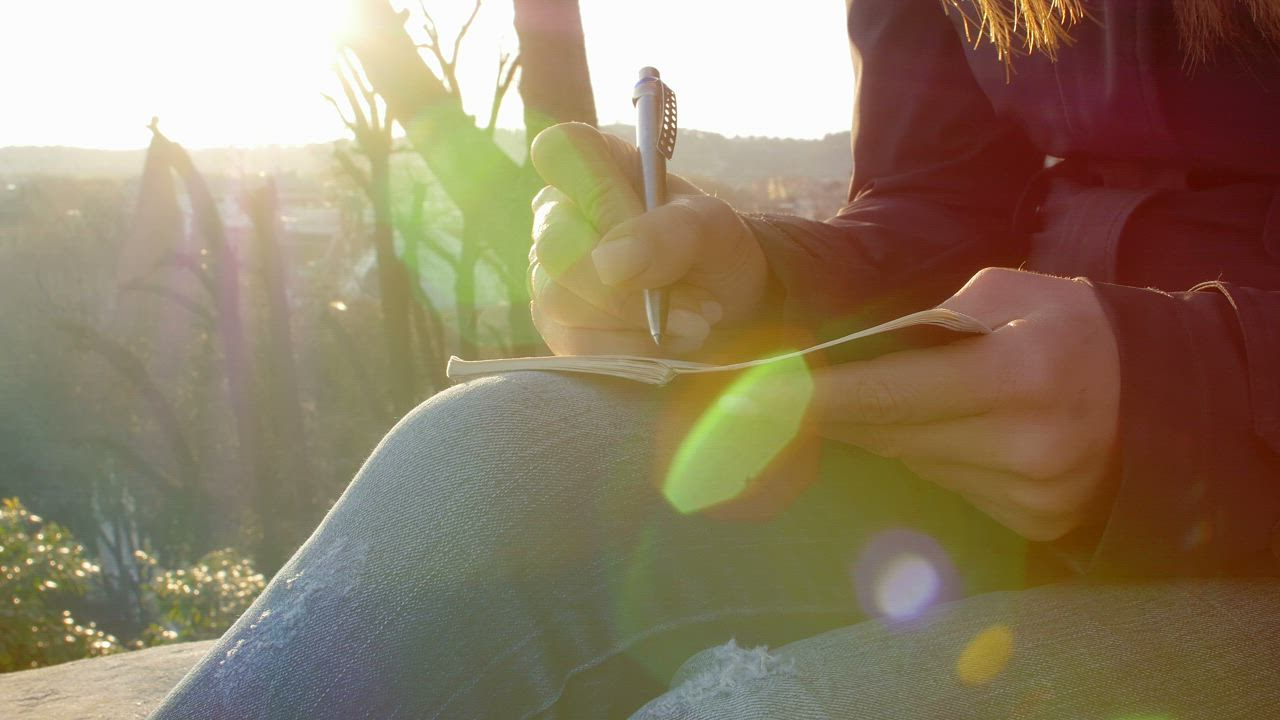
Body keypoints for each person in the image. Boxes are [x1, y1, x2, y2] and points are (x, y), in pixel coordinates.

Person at [150, 1, 1280, 717]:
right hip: (1005, 467)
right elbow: (945, 193)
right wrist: (756, 277)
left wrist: (1207, 394)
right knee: (482, 460)